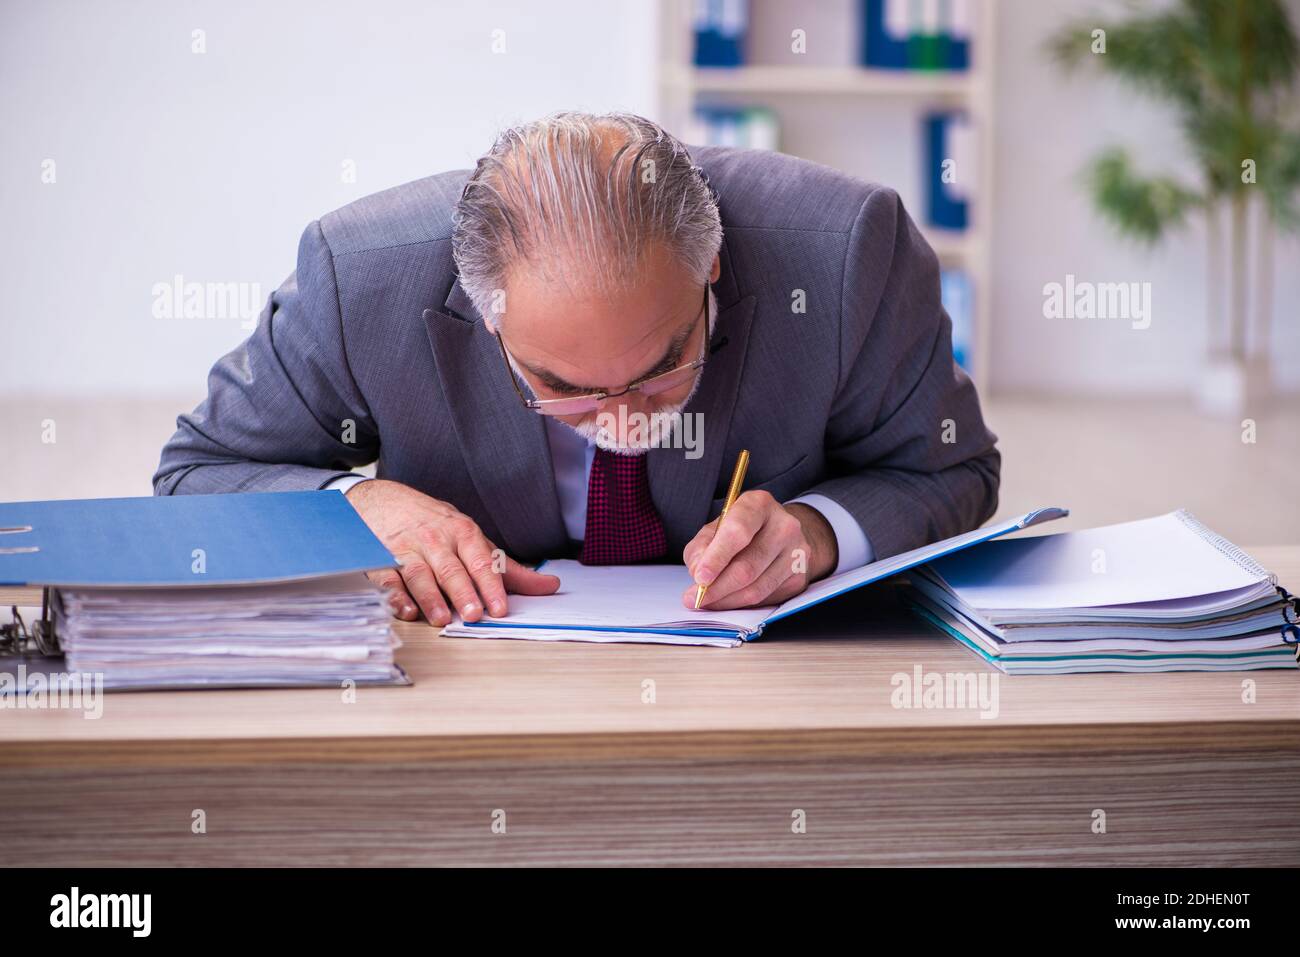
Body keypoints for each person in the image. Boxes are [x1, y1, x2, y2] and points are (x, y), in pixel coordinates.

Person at [154, 112, 1000, 626]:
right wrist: (355, 506)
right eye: (564, 386)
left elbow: (951, 469)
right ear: (486, 314)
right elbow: (197, 473)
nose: (624, 420)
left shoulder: (848, 252)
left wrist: (817, 535)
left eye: (665, 363)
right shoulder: (360, 276)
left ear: (710, 267)